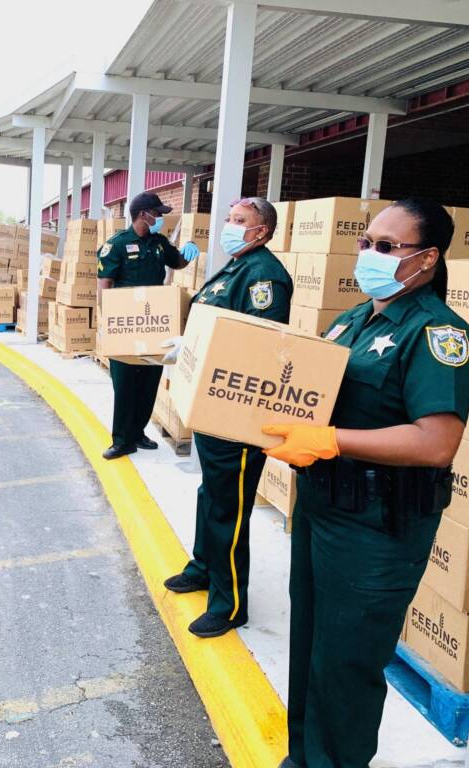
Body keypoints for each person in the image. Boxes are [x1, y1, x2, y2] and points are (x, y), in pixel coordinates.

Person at [263, 199, 469, 768]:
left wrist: (334, 440)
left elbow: (436, 442)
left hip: (376, 527)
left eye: (387, 247)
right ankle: (304, 757)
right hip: (321, 507)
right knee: (312, 645)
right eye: (365, 243)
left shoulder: (439, 334)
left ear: (427, 258)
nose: (369, 254)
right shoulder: (354, 319)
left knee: (347, 663)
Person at [162, 197, 294, 638]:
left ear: (261, 232)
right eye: (229, 219)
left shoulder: (265, 275)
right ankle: (203, 567)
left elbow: (258, 343)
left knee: (229, 509)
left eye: (240, 221)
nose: (229, 226)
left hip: (237, 413)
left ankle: (230, 602)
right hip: (214, 404)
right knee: (211, 494)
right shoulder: (238, 267)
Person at [97, 192, 191, 460]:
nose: (160, 218)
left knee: (149, 382)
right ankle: (121, 440)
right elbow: (104, 285)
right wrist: (108, 323)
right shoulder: (116, 245)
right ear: (143, 214)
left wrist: (189, 253)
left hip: (155, 322)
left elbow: (178, 262)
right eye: (157, 213)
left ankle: (137, 433)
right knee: (125, 384)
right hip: (126, 323)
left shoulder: (159, 242)